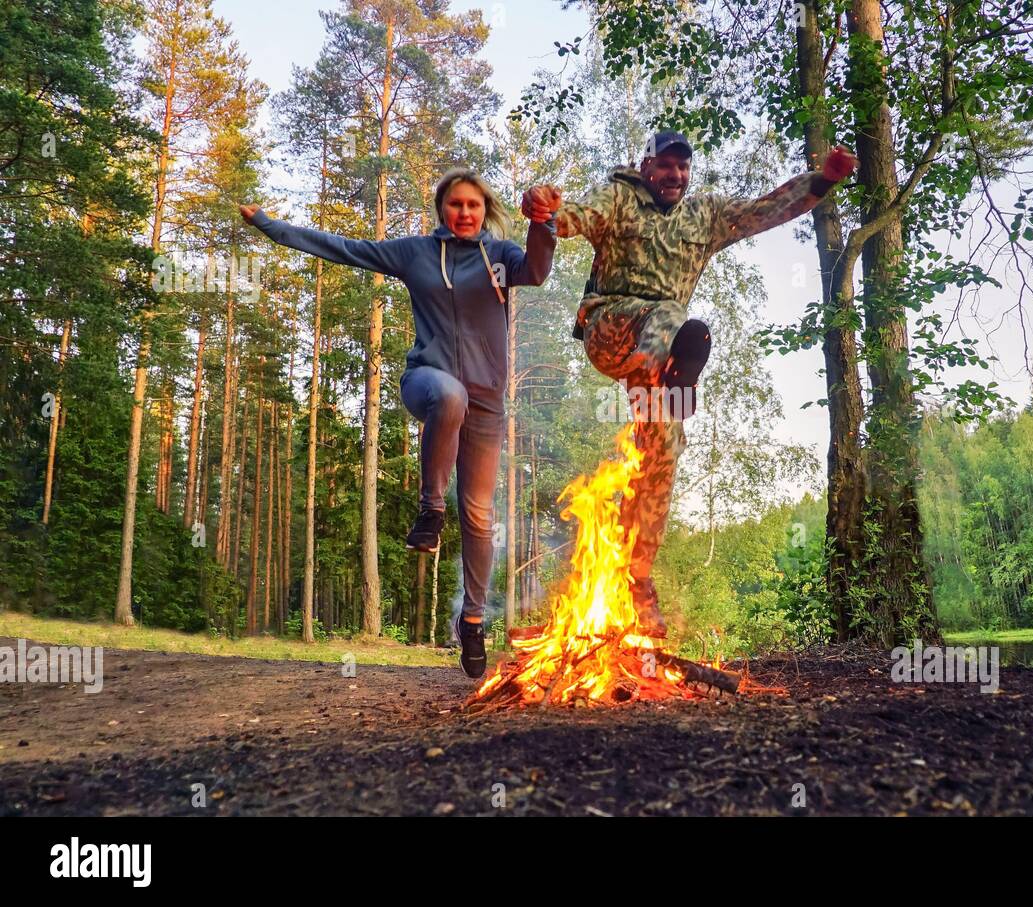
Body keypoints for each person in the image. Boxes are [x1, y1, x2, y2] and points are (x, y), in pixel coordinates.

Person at [522, 132, 857, 637]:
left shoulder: (705, 215)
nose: (675, 176)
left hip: (658, 355)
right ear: (647, 165)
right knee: (677, 314)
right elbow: (573, 217)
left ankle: (636, 578)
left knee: (662, 451)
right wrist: (544, 210)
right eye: (666, 166)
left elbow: (766, 210)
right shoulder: (619, 196)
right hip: (610, 330)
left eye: (683, 168)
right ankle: (666, 359)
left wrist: (824, 180)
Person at [241, 169, 561, 677]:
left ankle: (472, 621)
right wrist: (271, 226)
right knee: (449, 396)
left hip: (487, 403)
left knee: (479, 514)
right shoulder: (414, 254)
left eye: (473, 205)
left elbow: (539, 271)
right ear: (442, 209)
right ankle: (430, 510)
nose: (464, 213)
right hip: (428, 382)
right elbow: (345, 247)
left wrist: (544, 223)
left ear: (484, 210)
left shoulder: (500, 256)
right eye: (455, 204)